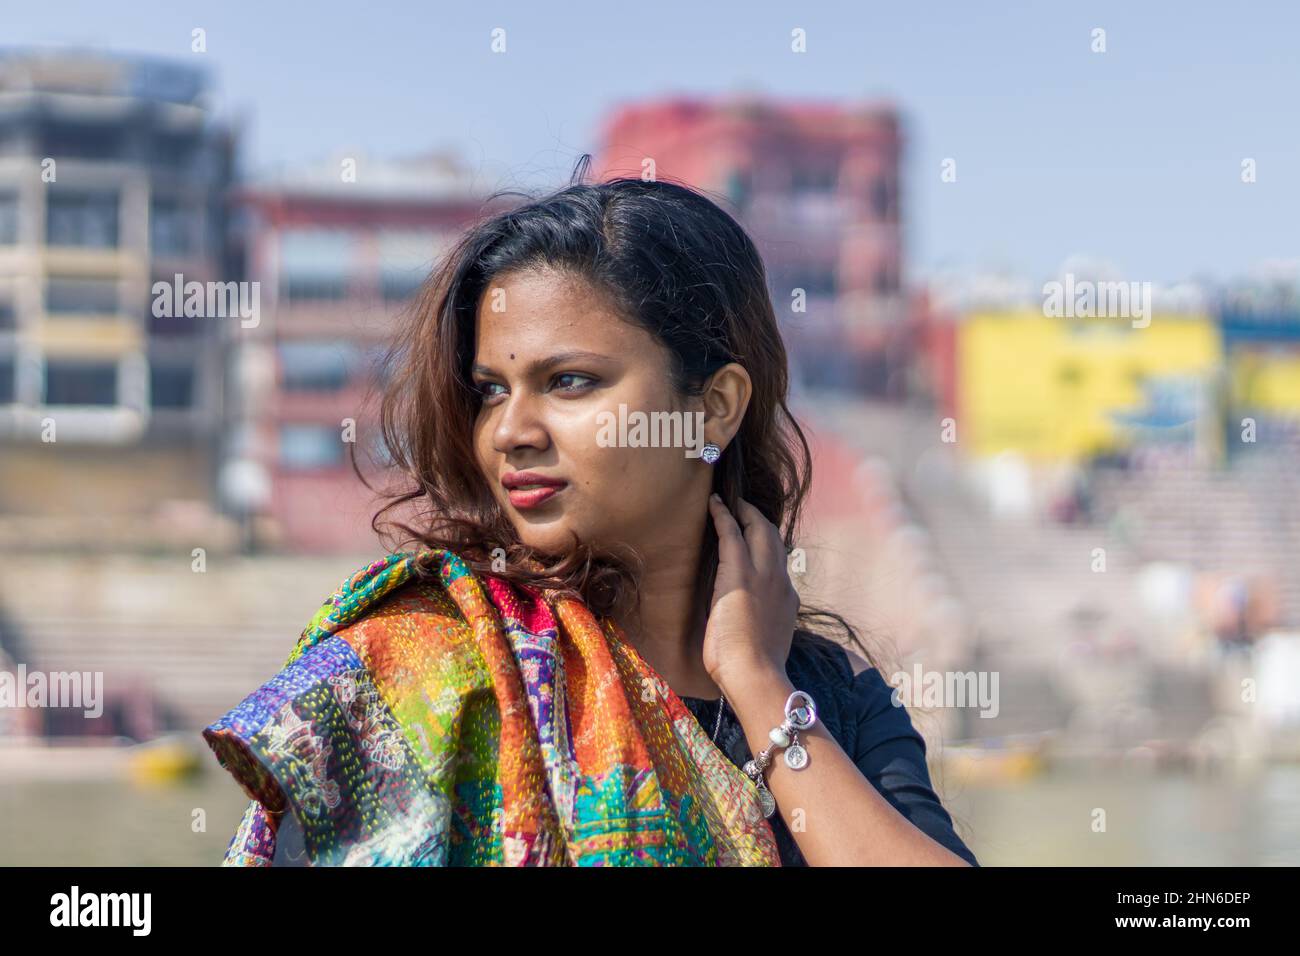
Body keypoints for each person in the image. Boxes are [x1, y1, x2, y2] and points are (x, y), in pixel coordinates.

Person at [203, 160, 978, 867]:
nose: (510, 432)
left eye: (570, 382)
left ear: (713, 407)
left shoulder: (825, 694)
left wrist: (756, 685)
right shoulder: (424, 669)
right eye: (491, 391)